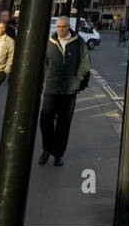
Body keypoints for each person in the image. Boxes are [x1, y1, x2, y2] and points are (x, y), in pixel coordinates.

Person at [38, 16, 90, 167]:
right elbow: (44, 62)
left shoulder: (78, 42)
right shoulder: (50, 43)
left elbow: (85, 62)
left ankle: (57, 154)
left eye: (63, 26)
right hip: (52, 88)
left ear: (68, 27)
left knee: (64, 123)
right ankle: (47, 149)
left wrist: (77, 78)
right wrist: (46, 77)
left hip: (69, 89)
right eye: (58, 26)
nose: (60, 29)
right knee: (45, 119)